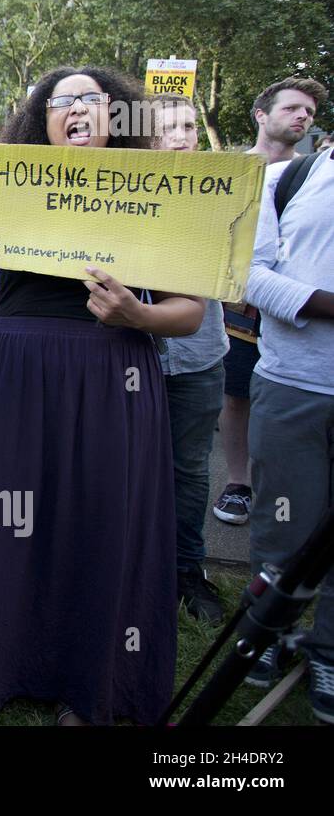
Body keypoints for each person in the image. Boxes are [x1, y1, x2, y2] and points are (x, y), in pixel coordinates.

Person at [0, 50, 204, 726]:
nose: (77, 109)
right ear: (43, 122)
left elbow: (191, 312)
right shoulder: (11, 186)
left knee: (102, 520)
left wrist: (137, 315)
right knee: (9, 514)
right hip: (18, 369)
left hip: (113, 371)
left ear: (116, 115)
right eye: (60, 101)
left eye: (91, 98)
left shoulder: (157, 191)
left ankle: (93, 684)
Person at [239, 77, 332, 723]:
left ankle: (327, 649)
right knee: (285, 523)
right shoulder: (291, 180)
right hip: (295, 381)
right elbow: (245, 271)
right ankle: (265, 635)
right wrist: (322, 307)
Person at [215, 78, 326, 527]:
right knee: (237, 394)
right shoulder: (228, 173)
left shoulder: (314, 177)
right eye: (293, 109)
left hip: (299, 323)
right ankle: (239, 482)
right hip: (240, 311)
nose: (303, 117)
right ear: (261, 115)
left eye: (310, 113)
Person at [151, 94, 229, 624]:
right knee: (127, 467)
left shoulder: (223, 195)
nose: (181, 137)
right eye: (168, 128)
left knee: (189, 469)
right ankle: (131, 565)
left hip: (199, 359)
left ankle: (187, 572)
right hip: (133, 360)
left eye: (188, 127)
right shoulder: (112, 193)